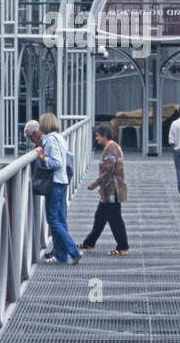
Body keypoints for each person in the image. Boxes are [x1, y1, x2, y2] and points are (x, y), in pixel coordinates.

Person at [32, 112, 81, 264]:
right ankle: (61, 255)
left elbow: (57, 162)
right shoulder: (59, 138)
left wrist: (42, 158)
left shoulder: (51, 140)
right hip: (62, 181)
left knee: (53, 219)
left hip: (54, 182)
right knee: (60, 219)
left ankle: (73, 250)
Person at [79, 123, 129, 255]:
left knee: (115, 219)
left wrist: (95, 184)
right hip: (108, 190)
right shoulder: (111, 147)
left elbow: (109, 170)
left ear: (105, 135)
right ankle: (89, 243)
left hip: (113, 191)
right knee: (100, 217)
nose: (96, 139)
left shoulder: (111, 148)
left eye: (98, 136)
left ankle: (123, 247)